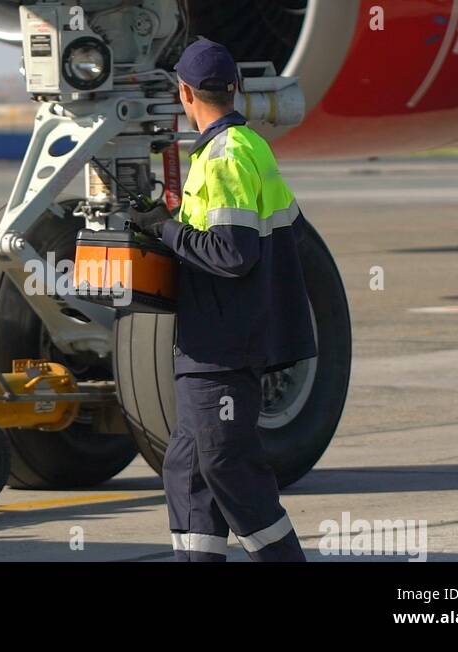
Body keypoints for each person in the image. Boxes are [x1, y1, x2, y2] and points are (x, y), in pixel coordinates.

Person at [129, 38, 317, 562]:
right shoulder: (252, 145)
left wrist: (164, 230)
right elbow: (292, 234)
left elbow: (233, 255)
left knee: (227, 465)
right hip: (211, 343)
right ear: (234, 88)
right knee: (186, 469)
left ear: (185, 92)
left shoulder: (224, 156)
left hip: (225, 346)